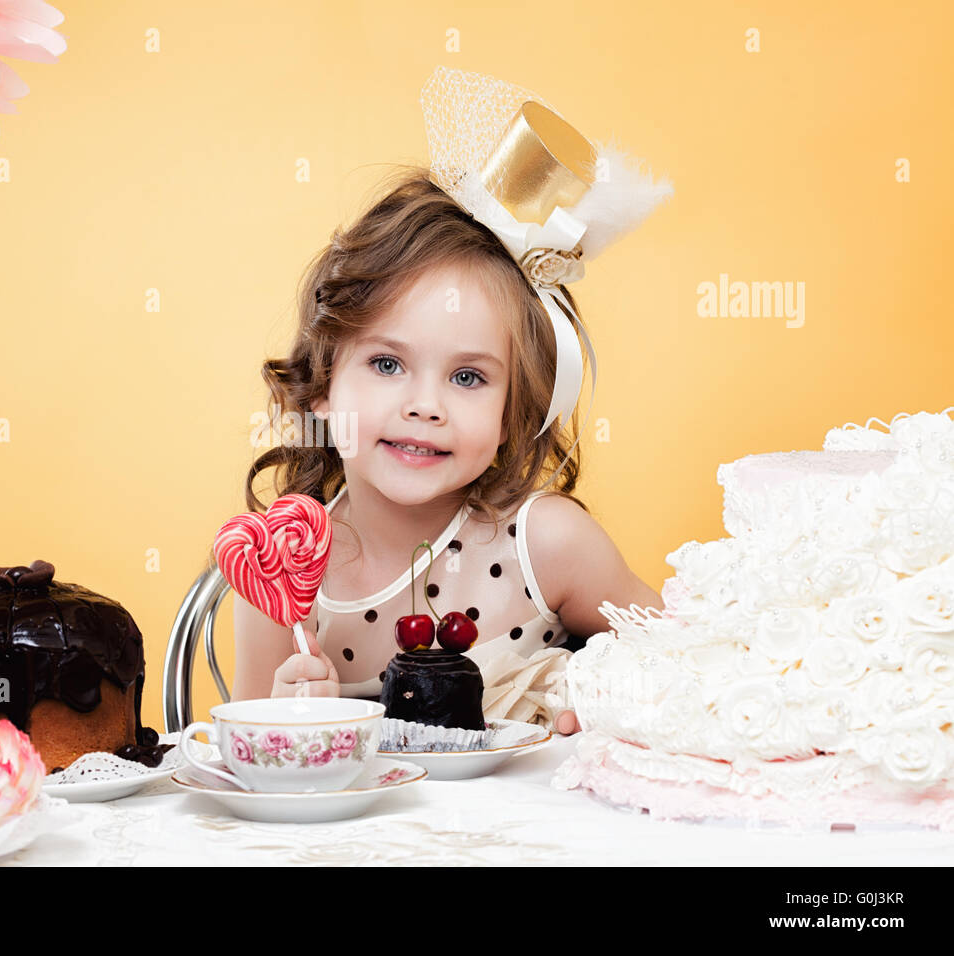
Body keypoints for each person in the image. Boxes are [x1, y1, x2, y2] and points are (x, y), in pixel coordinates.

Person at [230, 68, 673, 736]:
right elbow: (243, 764)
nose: (425, 405)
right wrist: (294, 720)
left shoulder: (548, 546)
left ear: (514, 416)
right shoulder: (283, 578)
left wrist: (621, 707)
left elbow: (699, 668)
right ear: (321, 387)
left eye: (468, 378)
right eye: (387, 364)